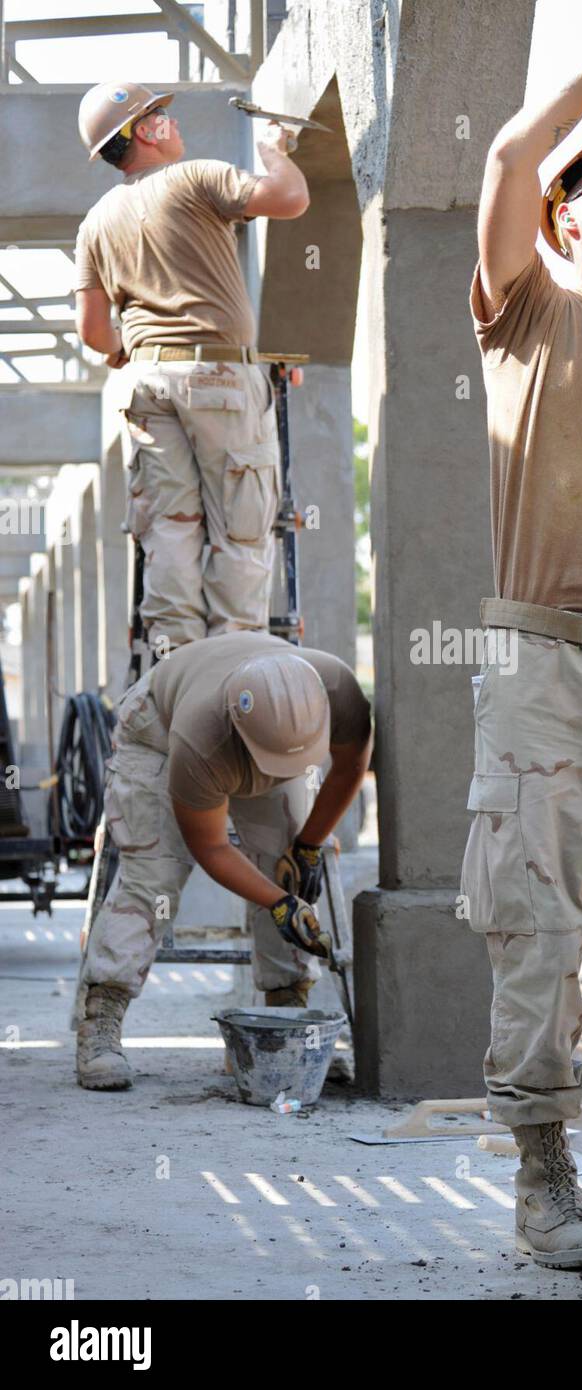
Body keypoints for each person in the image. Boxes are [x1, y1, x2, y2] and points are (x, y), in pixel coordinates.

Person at [461, 21, 582, 1269]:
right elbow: (506, 160)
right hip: (544, 666)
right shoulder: (524, 311)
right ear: (562, 221)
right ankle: (542, 1174)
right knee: (539, 930)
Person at [75, 632, 372, 1091]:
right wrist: (278, 903)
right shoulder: (202, 739)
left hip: (268, 734)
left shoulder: (337, 689)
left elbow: (351, 766)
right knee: (153, 875)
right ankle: (102, 1019)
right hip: (158, 732)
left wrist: (308, 846)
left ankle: (289, 1019)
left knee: (286, 863)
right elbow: (210, 847)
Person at [74, 81, 309, 651]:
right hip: (220, 382)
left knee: (171, 532)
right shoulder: (197, 177)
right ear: (146, 131)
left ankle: (175, 665)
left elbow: (94, 332)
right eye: (163, 117)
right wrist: (275, 148)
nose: (174, 124)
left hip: (150, 388)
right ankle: (235, 666)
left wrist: (133, 349)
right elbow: (291, 199)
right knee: (240, 529)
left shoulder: (96, 223)